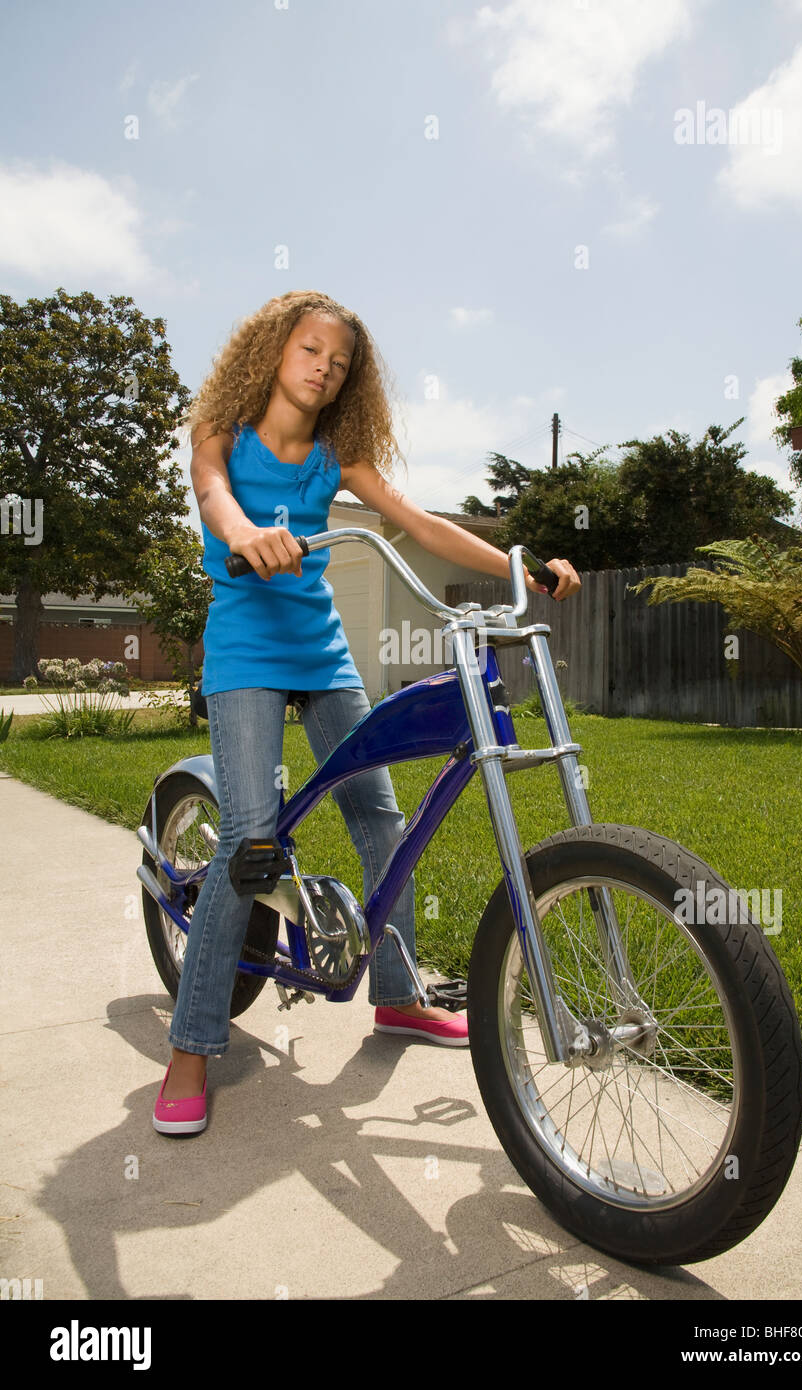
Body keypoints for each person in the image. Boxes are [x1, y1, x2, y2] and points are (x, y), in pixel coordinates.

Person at [153, 289, 580, 1135]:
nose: (324, 368)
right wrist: (244, 532)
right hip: (245, 651)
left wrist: (518, 570)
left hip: (320, 653)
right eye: (311, 350)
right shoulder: (220, 434)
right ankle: (194, 1045)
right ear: (274, 350)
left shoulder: (333, 457)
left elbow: (417, 524)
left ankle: (397, 994)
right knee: (249, 837)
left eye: (340, 363)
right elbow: (213, 494)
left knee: (380, 818)